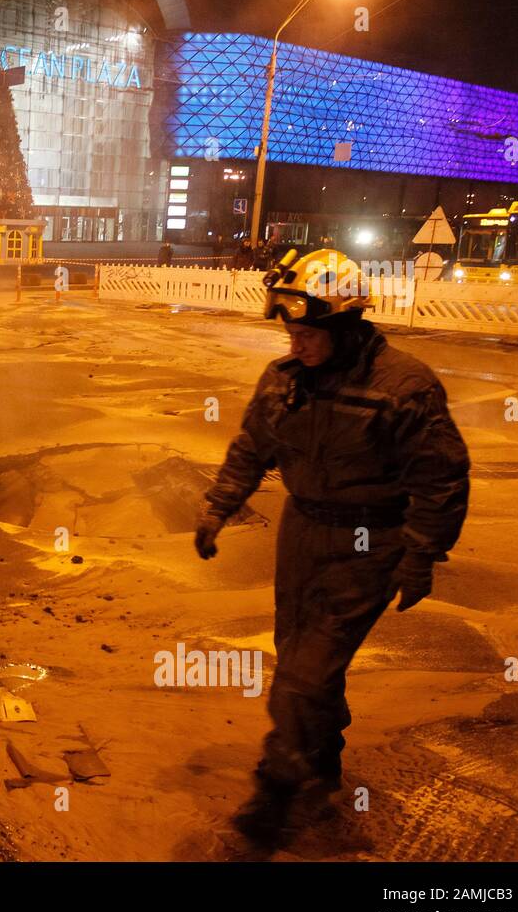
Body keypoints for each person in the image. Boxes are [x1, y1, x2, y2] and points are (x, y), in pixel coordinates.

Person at [194, 248, 470, 847]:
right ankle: (321, 762)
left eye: (308, 331)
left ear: (345, 322)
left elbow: (440, 477)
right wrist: (218, 507)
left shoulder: (403, 386)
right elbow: (251, 447)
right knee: (299, 653)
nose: (296, 342)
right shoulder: (284, 382)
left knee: (303, 672)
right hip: (302, 531)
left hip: (369, 540)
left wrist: (422, 555)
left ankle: (278, 789)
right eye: (291, 330)